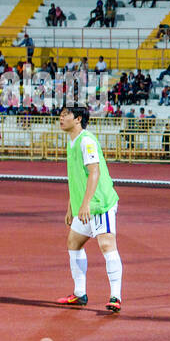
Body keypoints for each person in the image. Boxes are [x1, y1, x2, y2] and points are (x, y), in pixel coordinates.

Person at [55, 105, 123, 313]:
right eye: (60, 115)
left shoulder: (86, 141)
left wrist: (84, 204)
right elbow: (77, 179)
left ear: (77, 119)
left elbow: (94, 173)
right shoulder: (72, 141)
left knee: (106, 244)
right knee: (73, 243)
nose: (61, 118)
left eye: (65, 115)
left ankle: (116, 296)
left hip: (100, 204)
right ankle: (79, 293)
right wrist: (71, 206)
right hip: (84, 205)